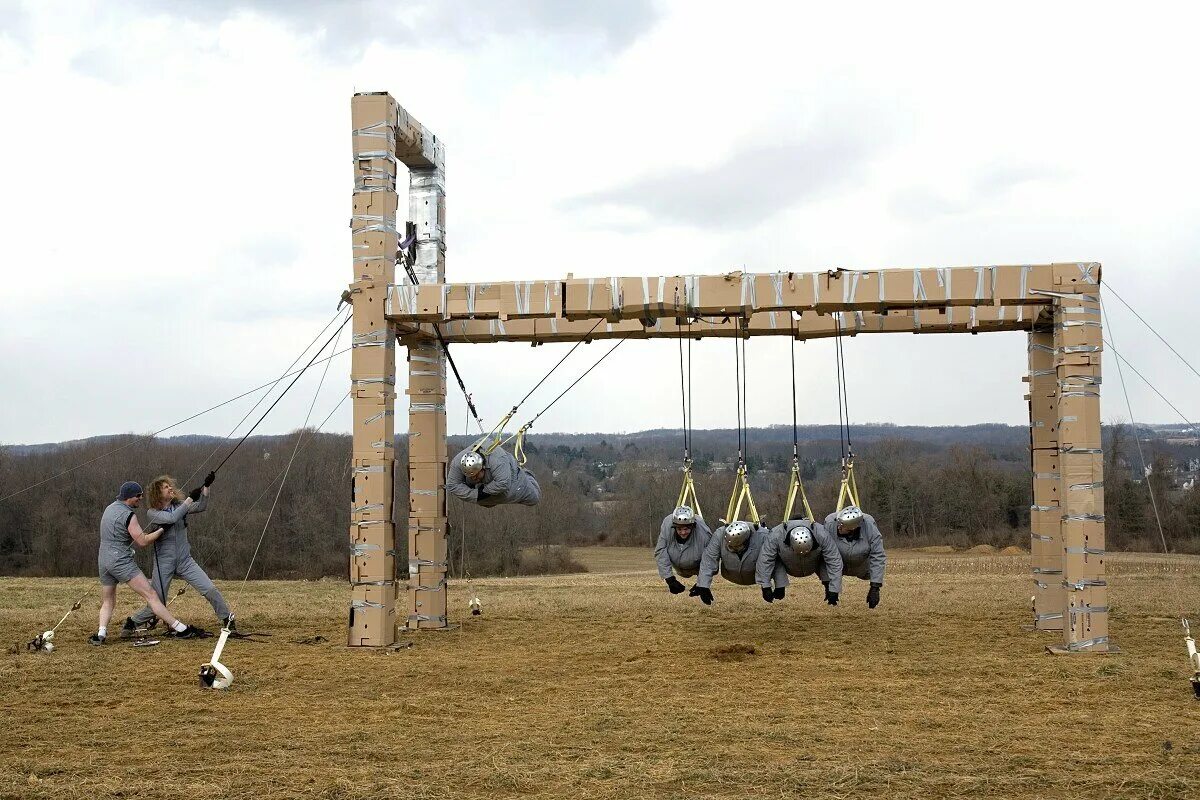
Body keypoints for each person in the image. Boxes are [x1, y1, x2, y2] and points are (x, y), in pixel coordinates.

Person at [93, 481, 204, 644]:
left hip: (103, 560)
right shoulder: (129, 515)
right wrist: (160, 530)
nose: (140, 498)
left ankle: (101, 634)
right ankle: (181, 628)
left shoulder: (109, 508)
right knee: (152, 595)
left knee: (108, 600)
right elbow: (143, 541)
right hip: (121, 561)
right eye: (138, 496)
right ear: (130, 497)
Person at [123, 472, 230, 635]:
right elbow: (172, 518)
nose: (170, 488)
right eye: (166, 487)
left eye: (169, 486)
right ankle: (133, 623)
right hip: (164, 562)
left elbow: (201, 506)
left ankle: (227, 618)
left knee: (209, 589)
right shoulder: (152, 513)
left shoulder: (179, 505)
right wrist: (189, 500)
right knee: (157, 602)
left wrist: (206, 487)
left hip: (185, 560)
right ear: (158, 493)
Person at [755, 515, 844, 604]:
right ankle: (780, 587)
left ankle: (827, 585)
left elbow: (834, 560)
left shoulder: (822, 534)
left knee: (825, 558)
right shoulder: (775, 535)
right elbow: (765, 559)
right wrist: (765, 586)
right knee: (775, 559)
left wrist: (834, 589)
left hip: (814, 562)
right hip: (788, 563)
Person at [691, 520, 769, 605]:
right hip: (729, 575)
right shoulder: (719, 535)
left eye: (737, 546)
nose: (733, 549)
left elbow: (772, 561)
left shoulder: (764, 536)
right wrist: (703, 585)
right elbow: (709, 559)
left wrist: (767, 586)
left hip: (754, 576)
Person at [822, 505, 886, 608]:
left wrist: (875, 587)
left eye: (842, 526)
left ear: (852, 528)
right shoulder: (830, 523)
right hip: (837, 567)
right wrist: (829, 585)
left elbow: (878, 555)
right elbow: (825, 556)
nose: (838, 527)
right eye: (839, 524)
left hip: (863, 567)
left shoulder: (869, 526)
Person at [447, 447, 541, 507]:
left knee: (534, 498)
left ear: (483, 467)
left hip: (512, 480)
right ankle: (486, 494)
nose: (474, 478)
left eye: (476, 475)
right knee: (485, 502)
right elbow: (452, 485)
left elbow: (503, 484)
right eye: (470, 476)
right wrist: (475, 494)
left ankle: (527, 474)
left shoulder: (498, 462)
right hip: (489, 483)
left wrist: (482, 492)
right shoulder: (457, 463)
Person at [653, 505, 713, 594]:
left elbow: (709, 560)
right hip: (676, 563)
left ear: (692, 527)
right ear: (674, 527)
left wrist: (702, 584)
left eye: (686, 529)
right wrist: (670, 579)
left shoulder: (704, 535)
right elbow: (660, 551)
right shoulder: (667, 527)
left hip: (695, 566)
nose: (683, 532)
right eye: (679, 529)